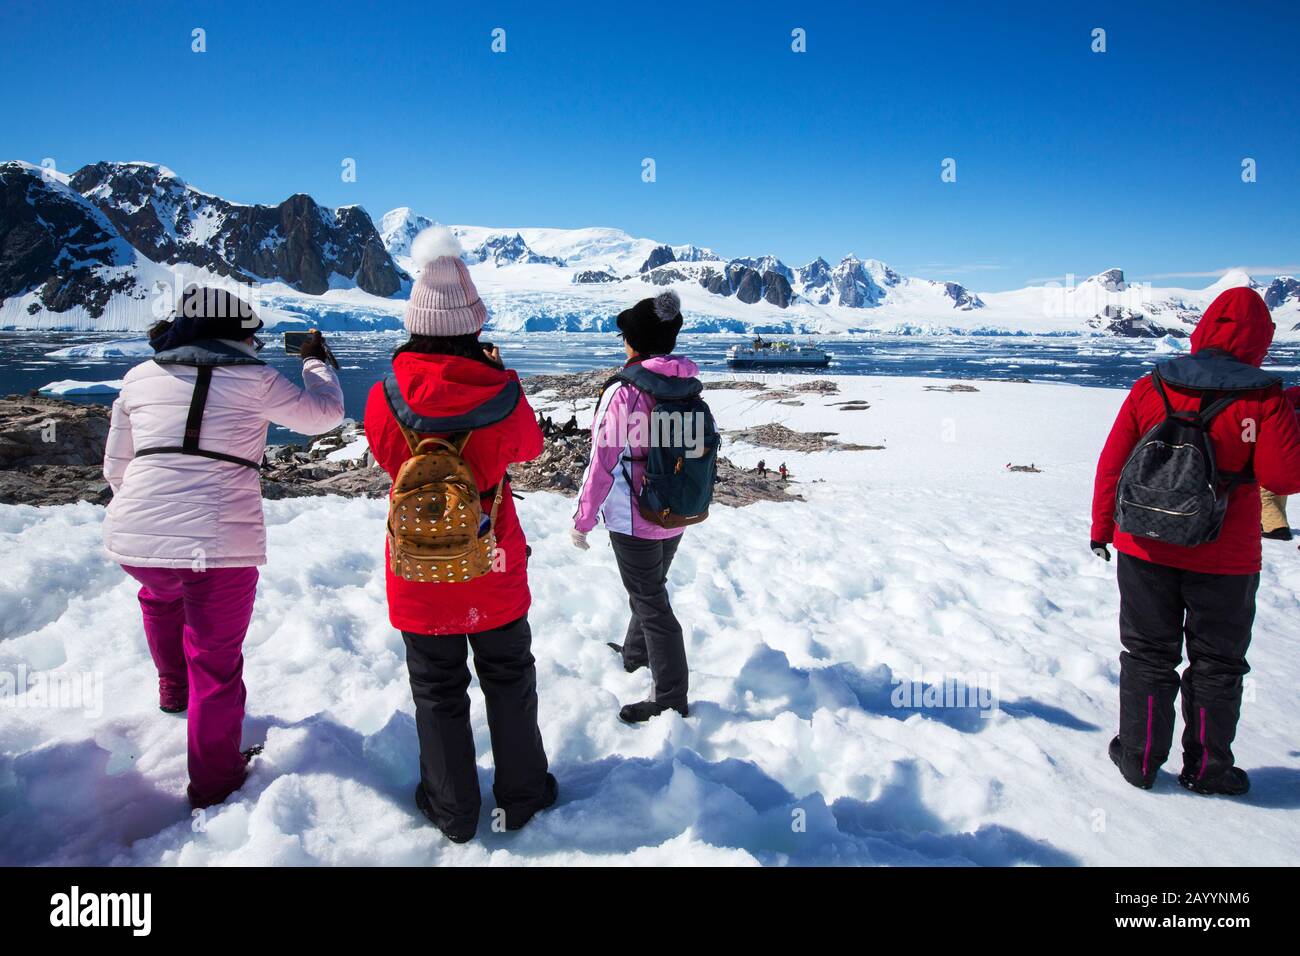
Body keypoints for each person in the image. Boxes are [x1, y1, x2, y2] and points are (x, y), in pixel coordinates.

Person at [102, 285, 344, 809]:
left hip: (136, 538)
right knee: (215, 658)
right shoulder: (256, 379)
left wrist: (146, 516)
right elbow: (323, 417)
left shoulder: (139, 378)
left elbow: (116, 467)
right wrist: (316, 363)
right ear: (238, 334)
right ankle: (214, 784)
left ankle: (173, 692)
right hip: (217, 544)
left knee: (160, 596)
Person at [363, 226, 554, 843]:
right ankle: (523, 794)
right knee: (508, 676)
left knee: (437, 687)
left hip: (418, 570)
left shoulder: (382, 395)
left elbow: (387, 458)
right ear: (474, 325)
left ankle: (451, 809)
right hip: (492, 565)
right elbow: (532, 445)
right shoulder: (502, 392)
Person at [1090, 287, 1300, 796]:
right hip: (1224, 557)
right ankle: (1207, 769)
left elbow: (1113, 463)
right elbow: (1284, 476)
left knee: (1145, 653)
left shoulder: (1152, 385)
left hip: (1144, 545)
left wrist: (1102, 528)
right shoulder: (1264, 398)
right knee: (1217, 662)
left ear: (1204, 327)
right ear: (1261, 339)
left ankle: (1139, 760)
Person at [571, 290, 697, 724]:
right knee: (649, 589)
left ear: (636, 341)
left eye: (626, 334)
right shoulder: (685, 385)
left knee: (652, 603)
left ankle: (670, 697)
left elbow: (602, 462)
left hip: (633, 517)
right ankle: (634, 654)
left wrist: (583, 520)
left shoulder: (625, 391)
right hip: (675, 509)